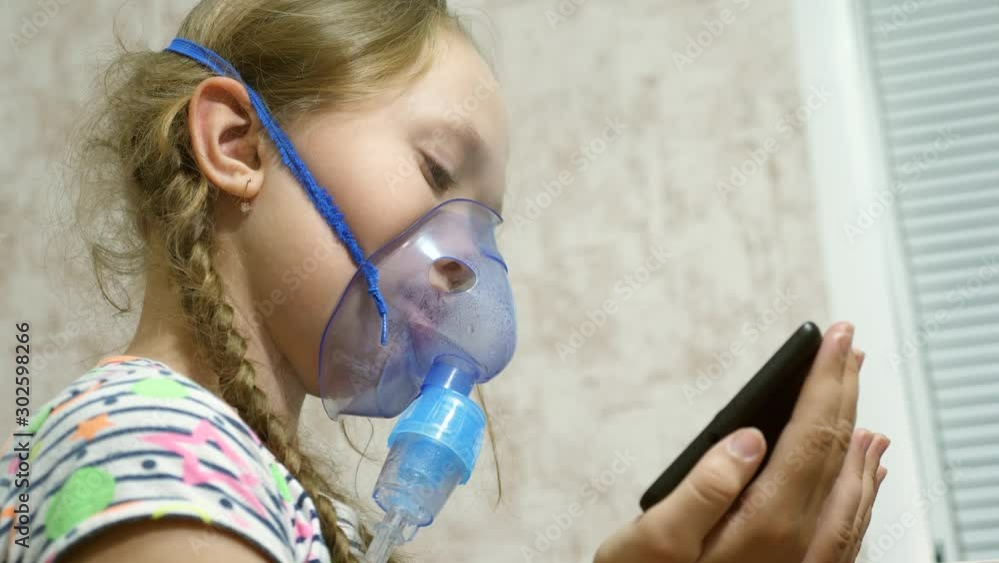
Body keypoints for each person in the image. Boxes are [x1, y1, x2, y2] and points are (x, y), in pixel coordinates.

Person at [0, 1, 890, 561]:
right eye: (435, 172)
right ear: (238, 145)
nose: (466, 259)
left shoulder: (244, 483)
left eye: (483, 220)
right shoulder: (146, 451)